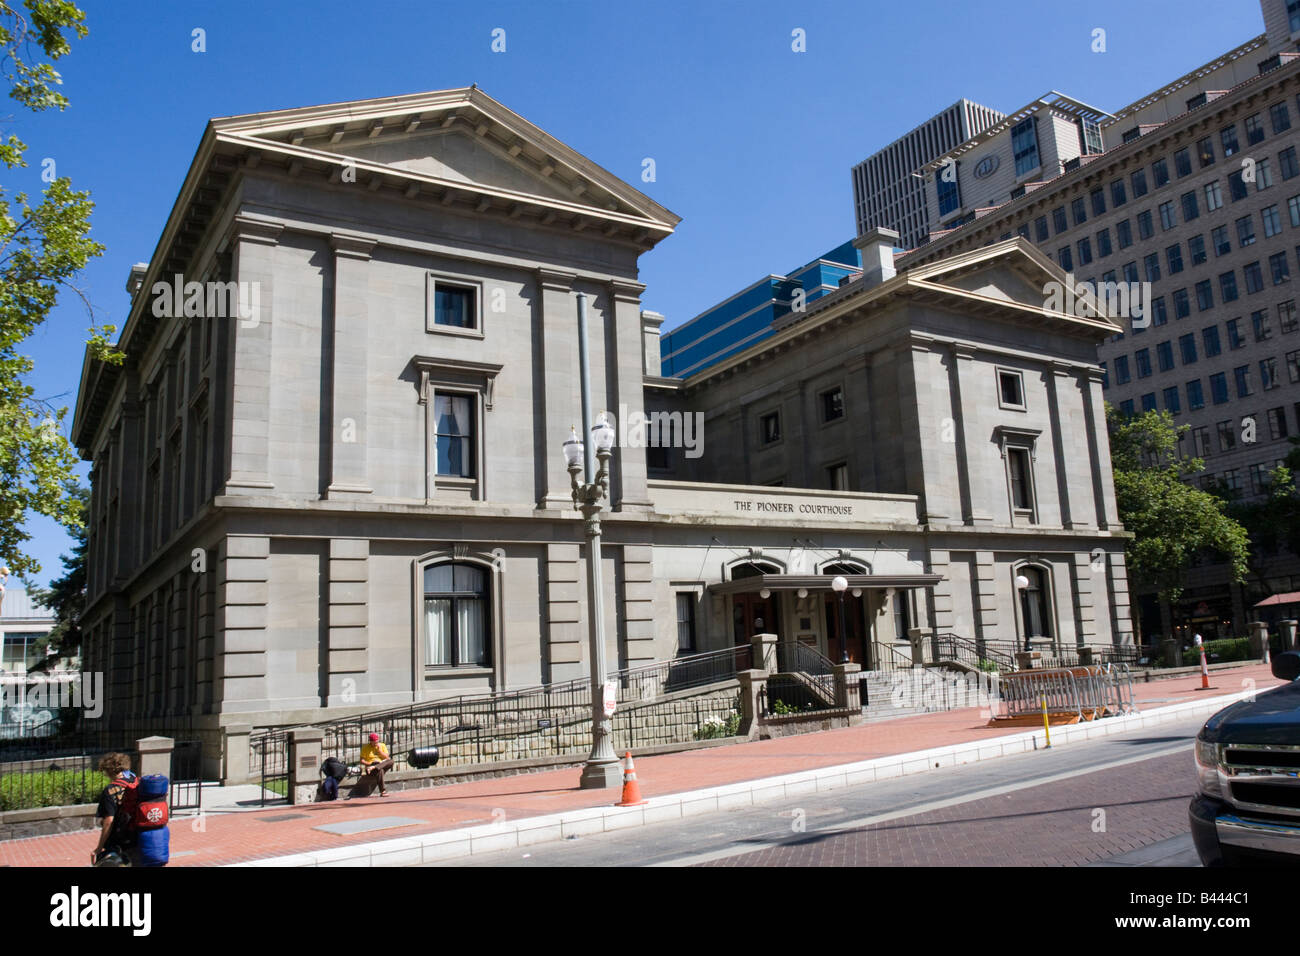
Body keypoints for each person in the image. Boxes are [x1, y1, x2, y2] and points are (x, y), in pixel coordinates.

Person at [91, 752, 137, 866]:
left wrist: (99, 847)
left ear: (108, 770)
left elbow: (109, 821)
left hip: (118, 841)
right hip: (136, 836)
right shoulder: (134, 781)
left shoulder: (110, 790)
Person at [357, 732, 393, 797]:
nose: (376, 743)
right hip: (371, 764)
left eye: (377, 741)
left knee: (391, 761)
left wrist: (380, 751)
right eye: (374, 742)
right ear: (371, 741)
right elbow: (361, 760)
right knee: (380, 770)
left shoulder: (382, 745)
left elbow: (387, 757)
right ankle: (383, 791)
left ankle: (374, 767)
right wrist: (369, 764)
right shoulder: (365, 748)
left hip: (381, 763)